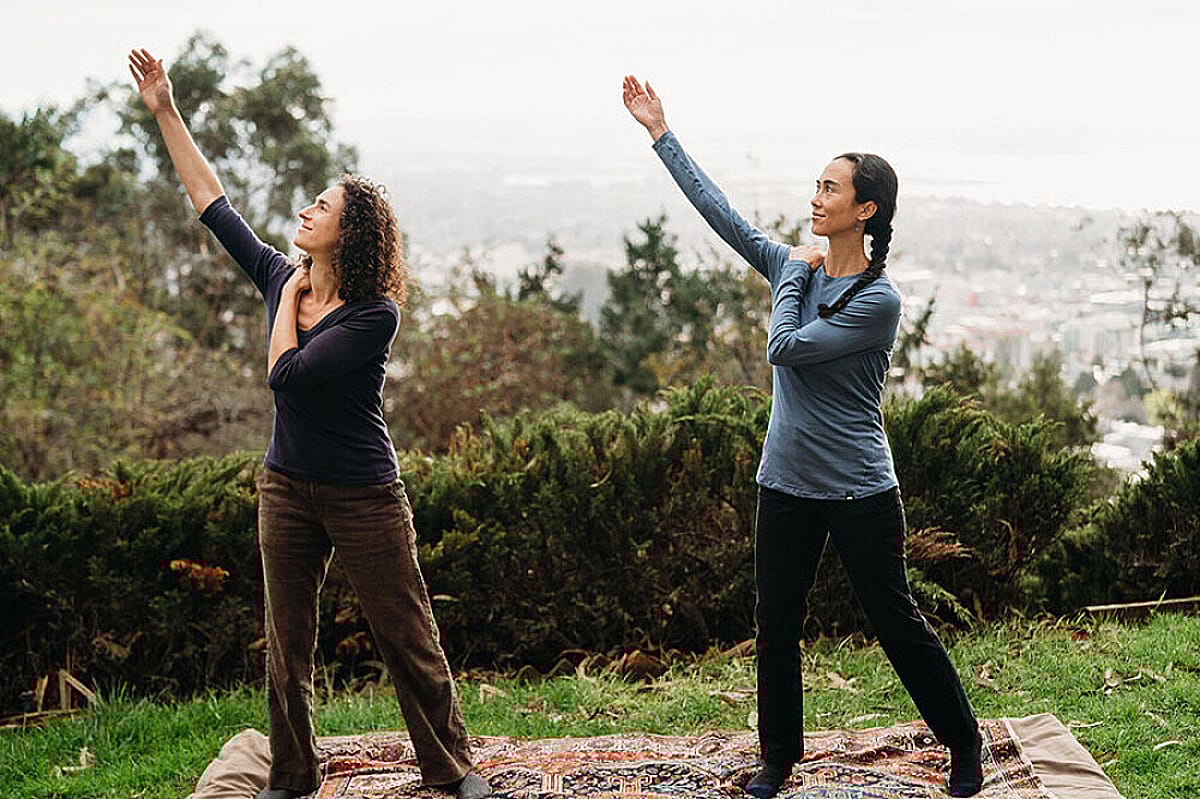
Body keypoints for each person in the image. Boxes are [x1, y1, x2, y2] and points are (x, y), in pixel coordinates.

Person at [128, 48, 492, 799]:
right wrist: (166, 110)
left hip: (364, 493)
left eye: (320, 207)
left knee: (407, 635)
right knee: (287, 647)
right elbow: (211, 201)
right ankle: (292, 776)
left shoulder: (373, 314)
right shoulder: (279, 276)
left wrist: (287, 295)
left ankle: (451, 765)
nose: (305, 211)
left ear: (346, 234)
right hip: (285, 485)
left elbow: (286, 374)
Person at [621, 75, 984, 798]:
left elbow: (784, 346)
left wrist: (791, 271)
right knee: (776, 621)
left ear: (865, 209)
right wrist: (662, 134)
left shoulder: (877, 301)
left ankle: (965, 741)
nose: (815, 197)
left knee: (895, 619)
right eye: (815, 184)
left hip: (859, 489)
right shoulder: (800, 263)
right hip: (783, 481)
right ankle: (779, 755)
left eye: (830, 189)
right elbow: (721, 215)